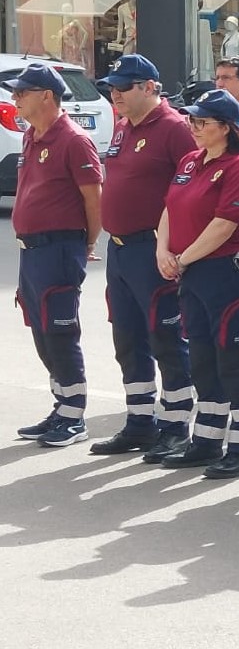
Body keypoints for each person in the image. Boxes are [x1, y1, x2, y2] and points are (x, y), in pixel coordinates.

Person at [89, 54, 197, 459]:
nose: (115, 93)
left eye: (124, 86)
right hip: (120, 251)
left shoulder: (174, 129)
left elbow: (190, 189)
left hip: (153, 250)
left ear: (150, 87)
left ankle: (175, 423)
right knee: (128, 338)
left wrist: (172, 249)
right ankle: (139, 422)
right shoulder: (122, 126)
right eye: (112, 86)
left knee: (166, 337)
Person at [156, 89, 239, 477]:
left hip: (223, 272)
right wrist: (162, 251)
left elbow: (225, 225)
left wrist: (181, 259)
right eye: (192, 121)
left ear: (226, 127)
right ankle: (205, 439)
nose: (194, 128)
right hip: (191, 272)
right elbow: (170, 207)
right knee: (202, 357)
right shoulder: (190, 161)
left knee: (234, 359)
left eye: (202, 123)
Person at [3, 63, 103, 447]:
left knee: (60, 332)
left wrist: (87, 243)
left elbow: (93, 200)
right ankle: (61, 405)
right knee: (43, 333)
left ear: (47, 96)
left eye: (22, 92)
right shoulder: (32, 136)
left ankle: (75, 416)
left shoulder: (73, 139)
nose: (15, 98)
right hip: (32, 252)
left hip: (59, 248)